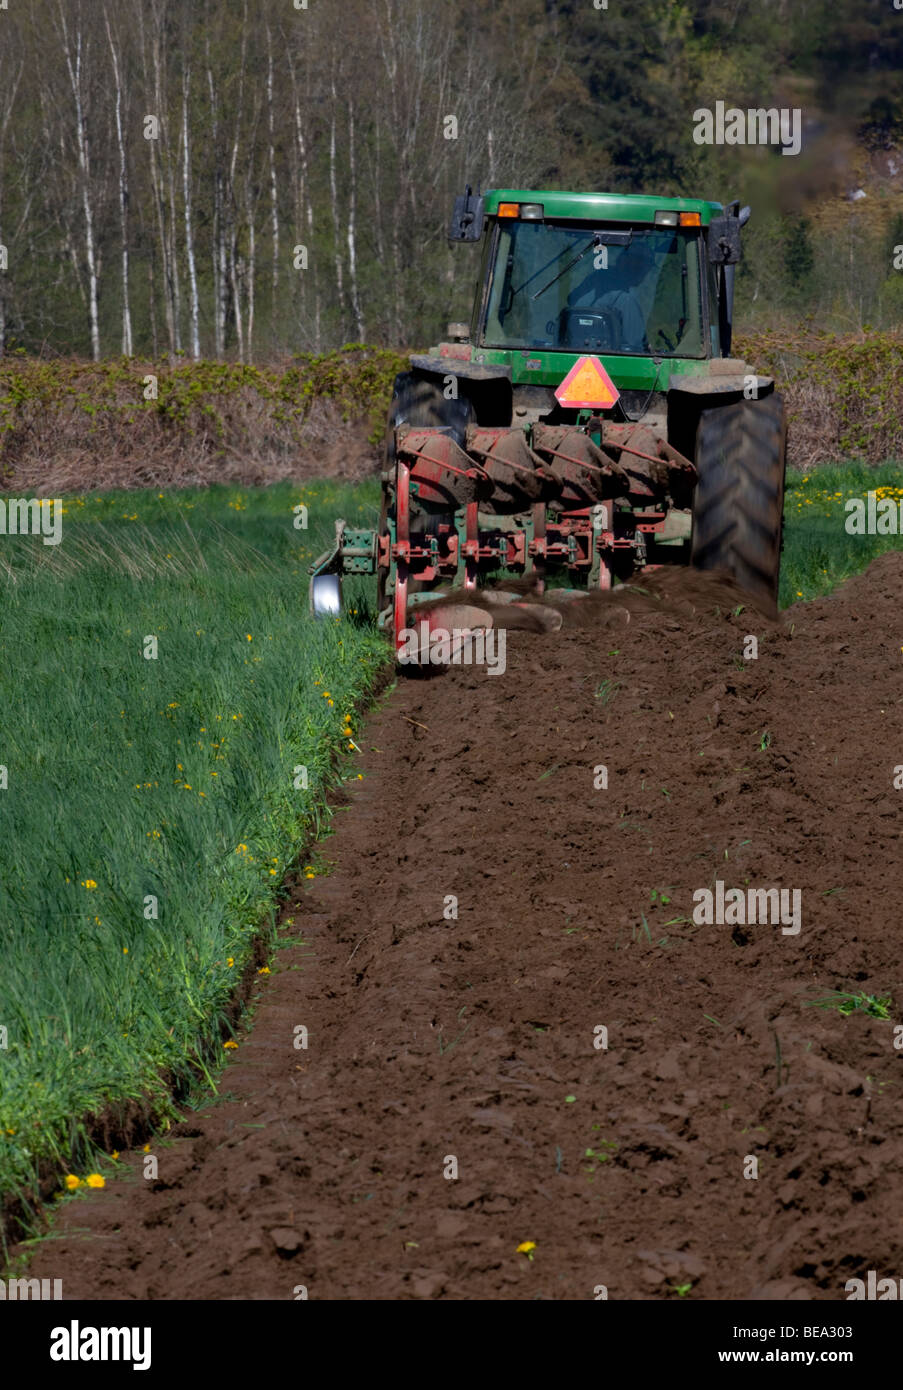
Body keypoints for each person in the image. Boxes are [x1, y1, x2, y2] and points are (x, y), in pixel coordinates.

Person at [567, 241, 656, 351]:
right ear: (630, 264)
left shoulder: (596, 278)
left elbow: (571, 299)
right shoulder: (626, 299)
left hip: (572, 345)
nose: (643, 275)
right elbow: (635, 345)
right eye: (642, 269)